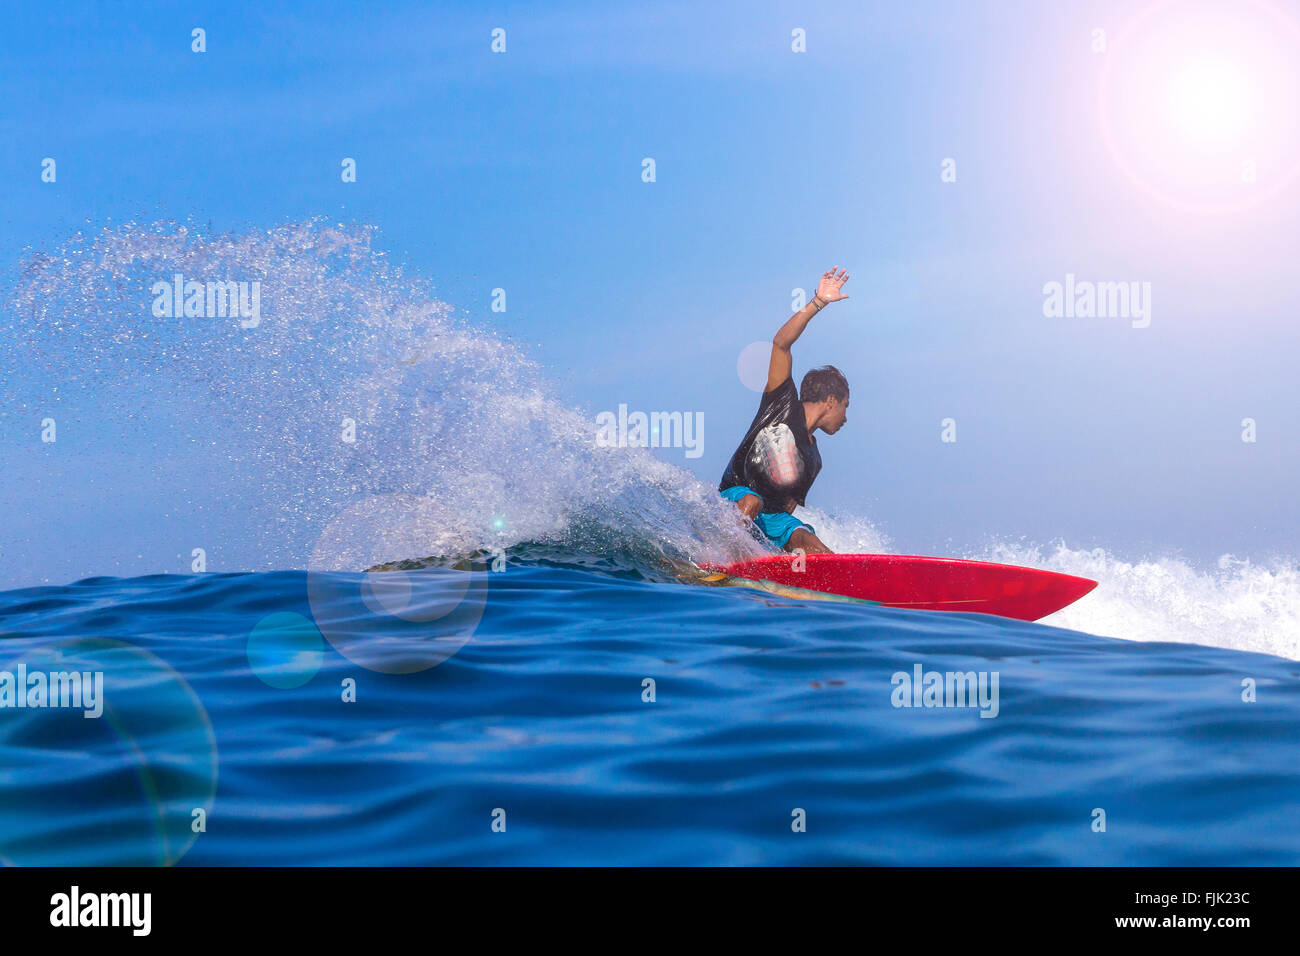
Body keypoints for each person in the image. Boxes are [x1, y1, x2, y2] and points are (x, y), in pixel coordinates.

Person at [719, 266, 850, 554]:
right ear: (831, 400)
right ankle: (719, 557)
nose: (845, 418)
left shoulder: (814, 459)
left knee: (809, 541)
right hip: (734, 499)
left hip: (772, 519)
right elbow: (780, 344)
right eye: (844, 407)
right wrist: (819, 302)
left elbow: (787, 511)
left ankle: (833, 585)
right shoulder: (781, 403)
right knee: (751, 503)